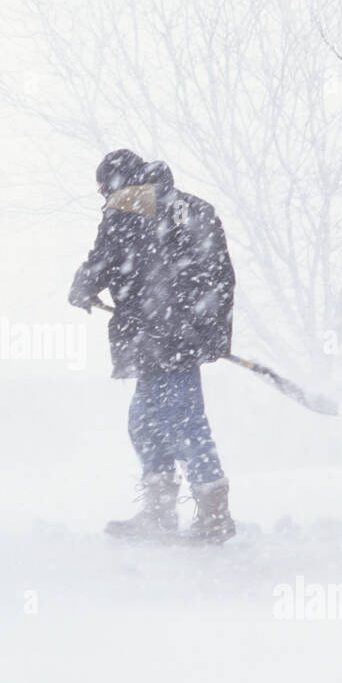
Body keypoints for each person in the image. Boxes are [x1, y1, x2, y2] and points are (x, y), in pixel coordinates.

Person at [68, 148, 236, 543]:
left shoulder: (126, 207)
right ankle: (161, 513)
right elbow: (222, 276)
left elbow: (105, 262)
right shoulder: (195, 207)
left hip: (157, 335)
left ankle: (214, 515)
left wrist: (82, 288)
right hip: (178, 335)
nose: (104, 200)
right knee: (148, 423)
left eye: (102, 191)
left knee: (182, 423)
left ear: (113, 183)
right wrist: (212, 333)